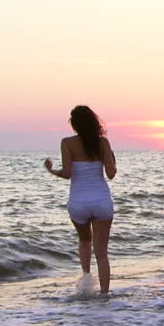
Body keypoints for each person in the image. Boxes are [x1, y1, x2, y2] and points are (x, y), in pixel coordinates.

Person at [44, 105, 117, 294]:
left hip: (78, 202)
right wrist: (112, 161)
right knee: (101, 253)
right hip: (101, 201)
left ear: (75, 125)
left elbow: (67, 173)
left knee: (84, 240)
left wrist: (51, 170)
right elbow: (111, 174)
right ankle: (104, 295)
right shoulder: (103, 143)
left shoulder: (67, 143)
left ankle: (85, 286)